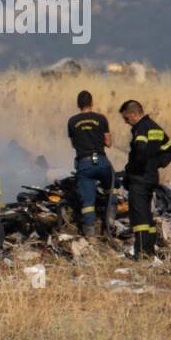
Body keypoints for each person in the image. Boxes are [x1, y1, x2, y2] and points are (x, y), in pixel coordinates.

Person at [118, 100, 171, 259]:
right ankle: (149, 251)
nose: (126, 122)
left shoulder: (141, 129)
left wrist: (133, 169)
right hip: (151, 177)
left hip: (139, 179)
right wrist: (156, 164)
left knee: (139, 217)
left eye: (126, 118)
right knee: (147, 216)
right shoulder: (154, 127)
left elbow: (140, 150)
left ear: (134, 114)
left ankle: (142, 253)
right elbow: (170, 149)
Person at [66, 90, 113, 238]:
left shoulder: (72, 121)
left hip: (84, 164)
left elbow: (74, 144)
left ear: (78, 104)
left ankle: (90, 234)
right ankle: (110, 222)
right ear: (92, 103)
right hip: (101, 161)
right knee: (113, 187)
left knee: (88, 201)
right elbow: (109, 143)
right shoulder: (101, 119)